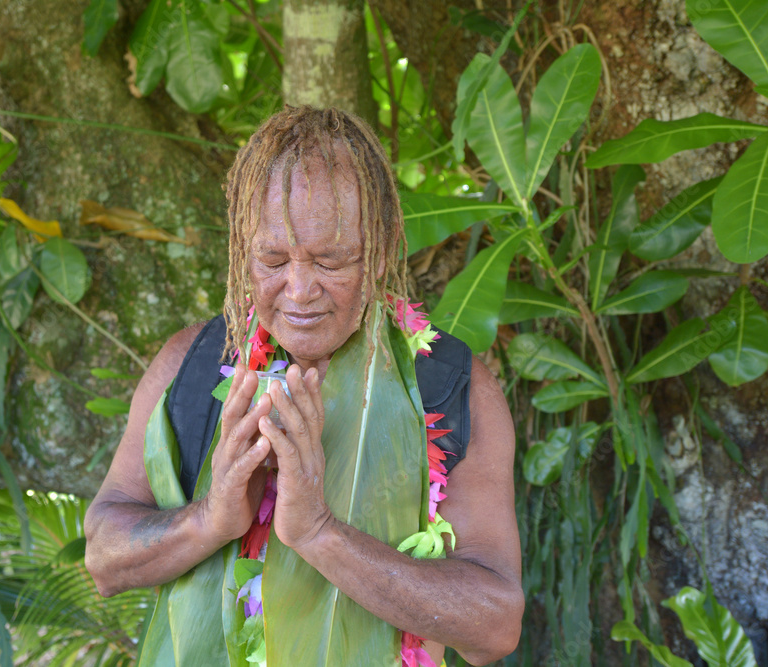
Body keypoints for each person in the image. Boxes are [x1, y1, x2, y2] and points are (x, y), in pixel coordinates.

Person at [84, 106, 523, 666]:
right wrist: (211, 519)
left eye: (330, 259)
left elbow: (495, 628)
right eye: (272, 258)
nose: (298, 290)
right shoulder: (189, 365)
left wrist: (319, 533)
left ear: (382, 246)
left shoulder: (450, 386)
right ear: (243, 246)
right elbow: (103, 557)